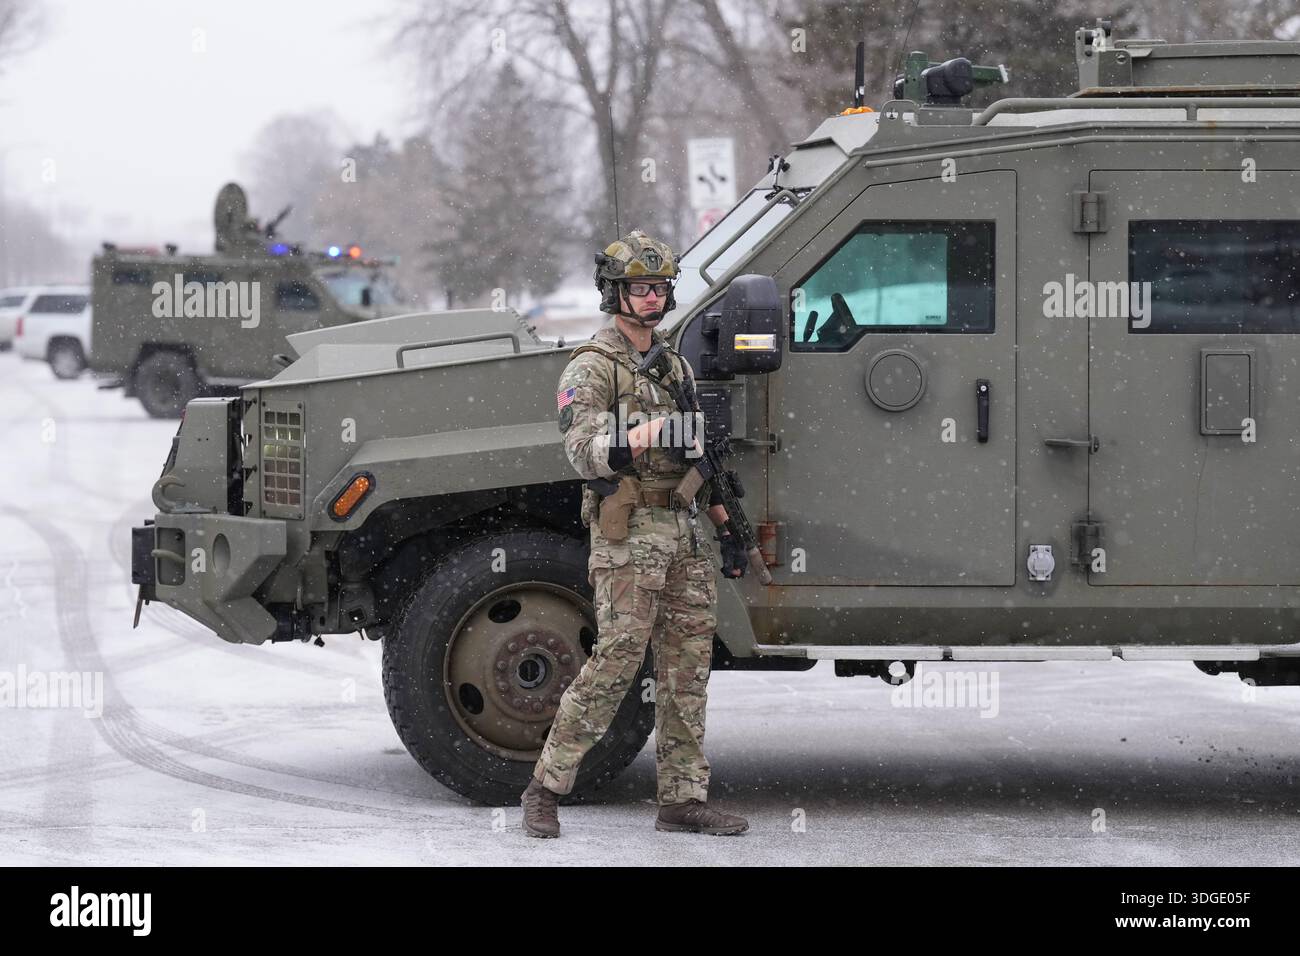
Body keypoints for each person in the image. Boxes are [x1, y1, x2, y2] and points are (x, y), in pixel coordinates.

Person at [521, 229, 750, 838]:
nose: (651, 299)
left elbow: (701, 459)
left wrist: (727, 530)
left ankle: (681, 798)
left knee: (688, 668)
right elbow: (582, 450)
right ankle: (545, 786)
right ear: (614, 293)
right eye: (640, 289)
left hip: (684, 531)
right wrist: (651, 433)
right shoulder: (592, 367)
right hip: (629, 534)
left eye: (659, 289)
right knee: (615, 662)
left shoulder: (674, 365)